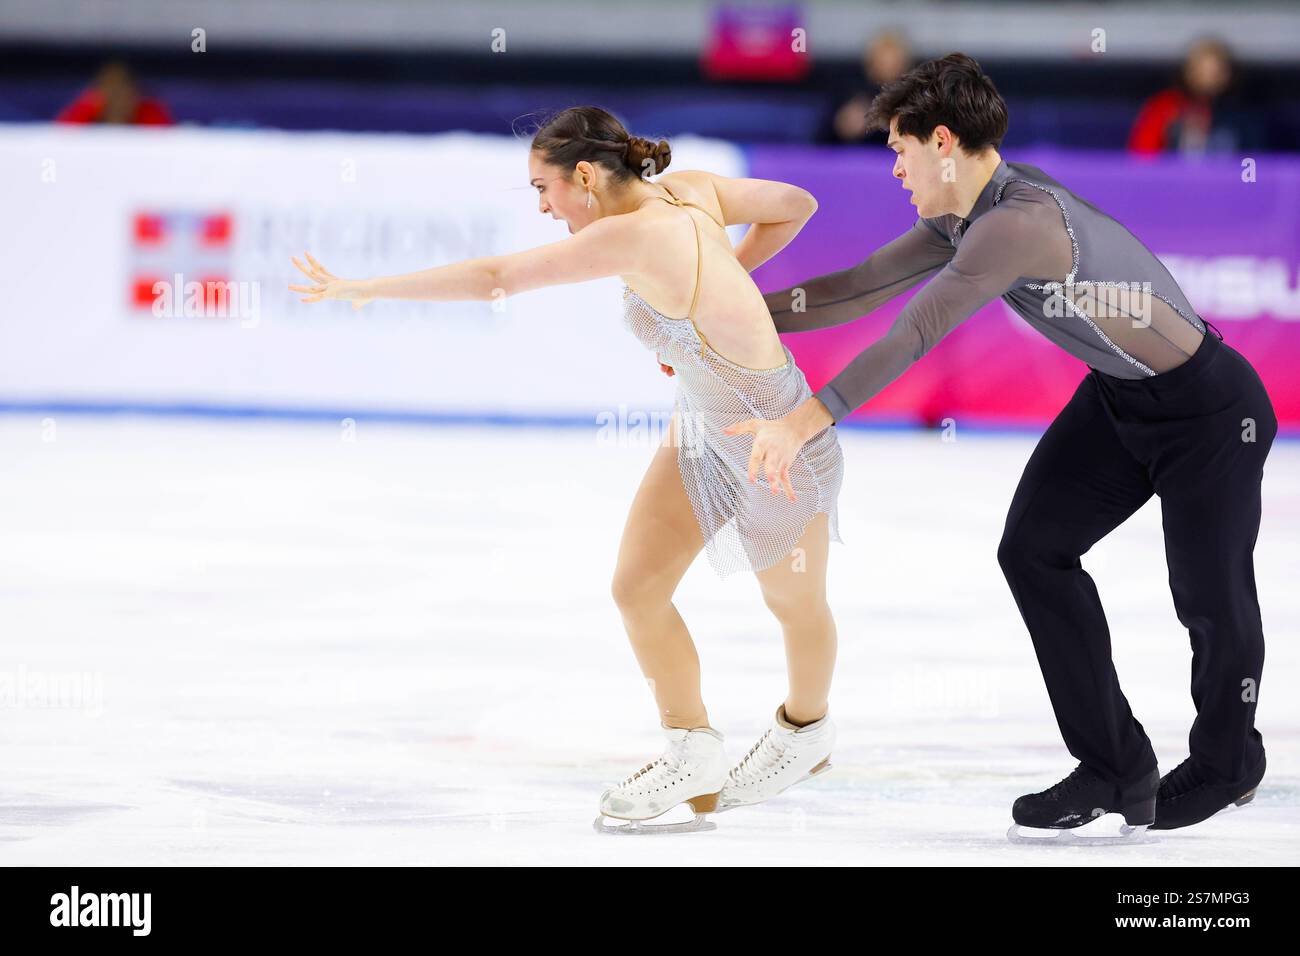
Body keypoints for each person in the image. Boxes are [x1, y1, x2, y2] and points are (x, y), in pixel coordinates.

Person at [739, 54, 1277, 840]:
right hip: (1118, 400)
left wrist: (806, 417)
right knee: (1034, 550)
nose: (893, 166)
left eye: (899, 148)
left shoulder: (1016, 225)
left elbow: (916, 329)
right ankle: (1114, 764)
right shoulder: (968, 216)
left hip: (1210, 410)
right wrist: (742, 312)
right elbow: (856, 286)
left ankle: (1231, 761)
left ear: (943, 142)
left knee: (1208, 592)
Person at [289, 106, 845, 833]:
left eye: (543, 190)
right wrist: (720, 293)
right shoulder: (694, 191)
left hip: (778, 433)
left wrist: (366, 288)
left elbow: (497, 276)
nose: (545, 208)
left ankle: (806, 733)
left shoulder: (631, 234)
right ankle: (692, 747)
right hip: (703, 426)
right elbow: (794, 205)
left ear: (585, 175)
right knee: (638, 587)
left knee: (794, 605)